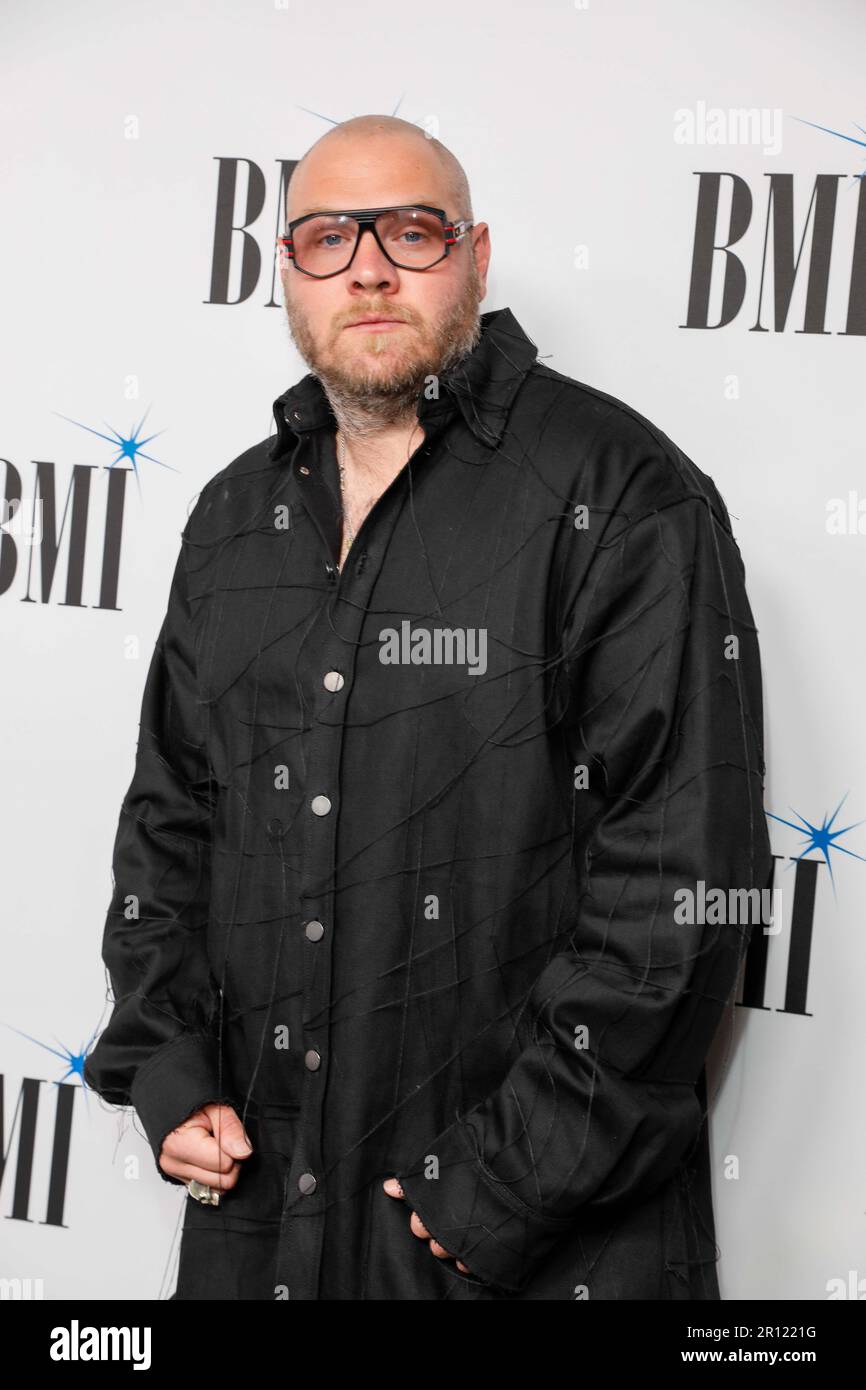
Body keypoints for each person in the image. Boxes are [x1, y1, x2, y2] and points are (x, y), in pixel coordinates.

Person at [84, 113, 772, 1300]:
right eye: (324, 236)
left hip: (516, 1251)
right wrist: (171, 1065)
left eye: (410, 230)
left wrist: (492, 1190)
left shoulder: (621, 496)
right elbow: (170, 821)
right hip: (259, 1228)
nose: (366, 266)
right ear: (285, 270)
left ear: (476, 255)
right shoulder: (233, 519)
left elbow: (680, 896)